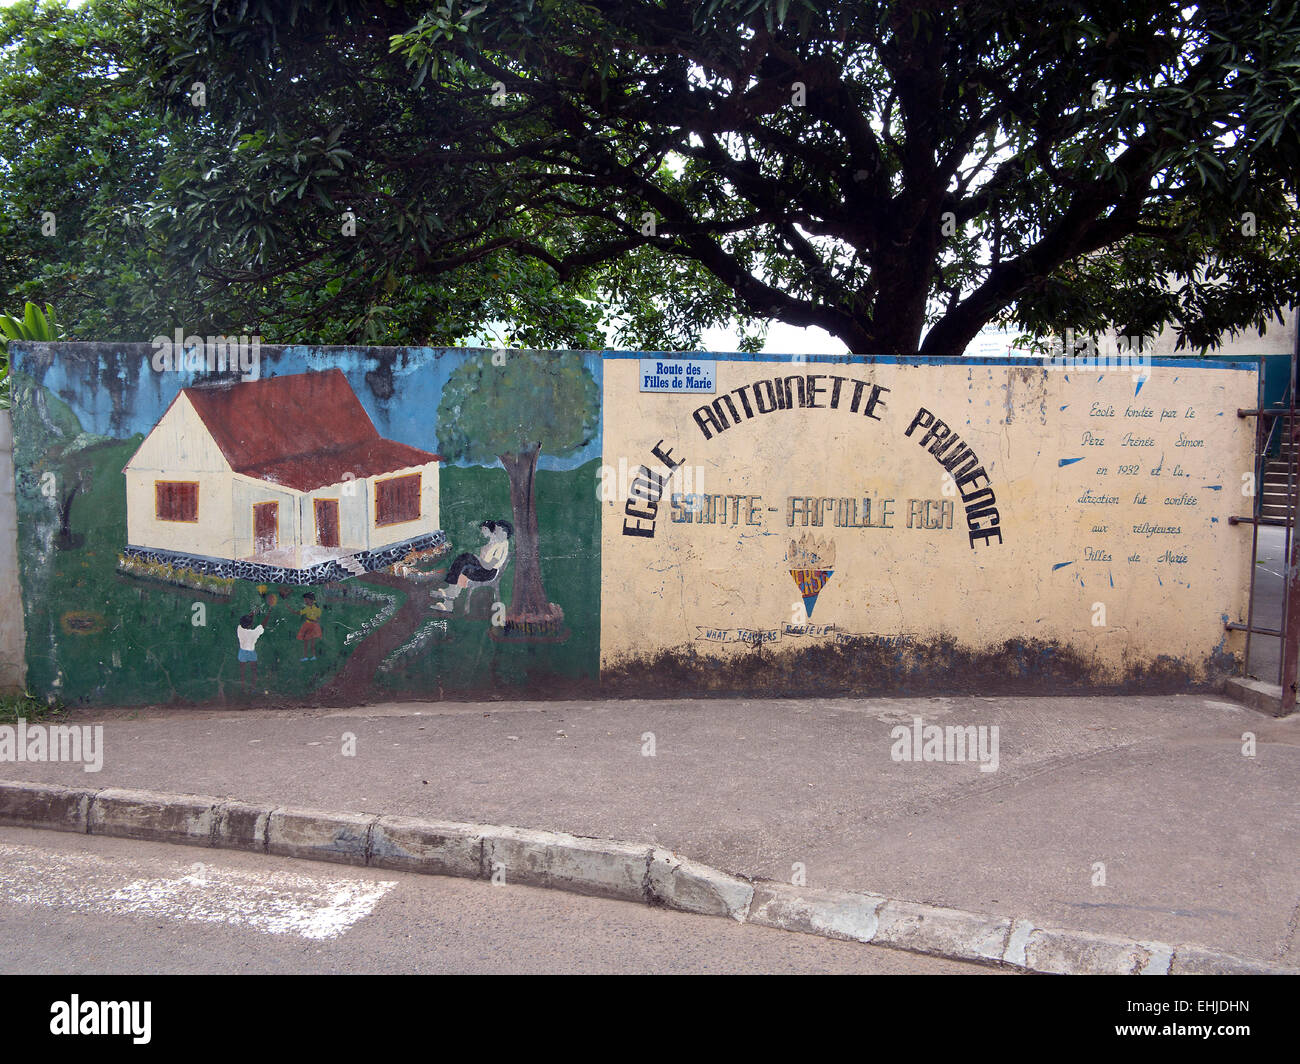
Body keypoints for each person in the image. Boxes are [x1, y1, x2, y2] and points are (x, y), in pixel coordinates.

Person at [433, 520, 512, 613]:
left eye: (497, 529)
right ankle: (449, 601)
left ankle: (449, 597)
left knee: (464, 559)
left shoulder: (502, 546)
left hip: (487, 573)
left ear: (504, 532)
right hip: (483, 569)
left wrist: (477, 558)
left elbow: (489, 566)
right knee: (461, 566)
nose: (495, 531)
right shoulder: (497, 542)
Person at [236, 612, 265, 684]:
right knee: (254, 670)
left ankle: (242, 684)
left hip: (242, 652)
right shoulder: (254, 633)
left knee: (242, 670)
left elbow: (245, 621)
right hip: (251, 652)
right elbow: (263, 625)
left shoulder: (239, 628)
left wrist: (252, 614)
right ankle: (253, 685)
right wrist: (268, 615)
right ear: (251, 625)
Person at [296, 591, 325, 660]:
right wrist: (290, 609)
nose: (305, 601)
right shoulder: (307, 608)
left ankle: (313, 656)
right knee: (306, 642)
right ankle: (306, 657)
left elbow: (317, 620)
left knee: (312, 643)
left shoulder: (317, 609)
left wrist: (309, 619)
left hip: (314, 627)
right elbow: (300, 612)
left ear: (311, 600)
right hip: (307, 625)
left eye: (306, 600)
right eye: (305, 600)